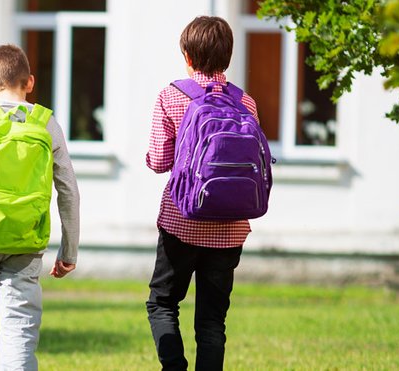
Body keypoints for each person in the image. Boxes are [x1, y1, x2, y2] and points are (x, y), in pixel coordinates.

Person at [0, 44, 81, 371]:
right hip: (26, 240)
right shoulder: (46, 122)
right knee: (19, 328)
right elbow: (68, 189)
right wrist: (69, 249)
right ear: (30, 82)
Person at [144, 16, 260, 371]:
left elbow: (160, 162)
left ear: (187, 56)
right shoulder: (246, 103)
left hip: (182, 220)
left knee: (162, 304)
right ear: (228, 56)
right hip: (230, 227)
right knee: (212, 321)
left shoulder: (171, 96)